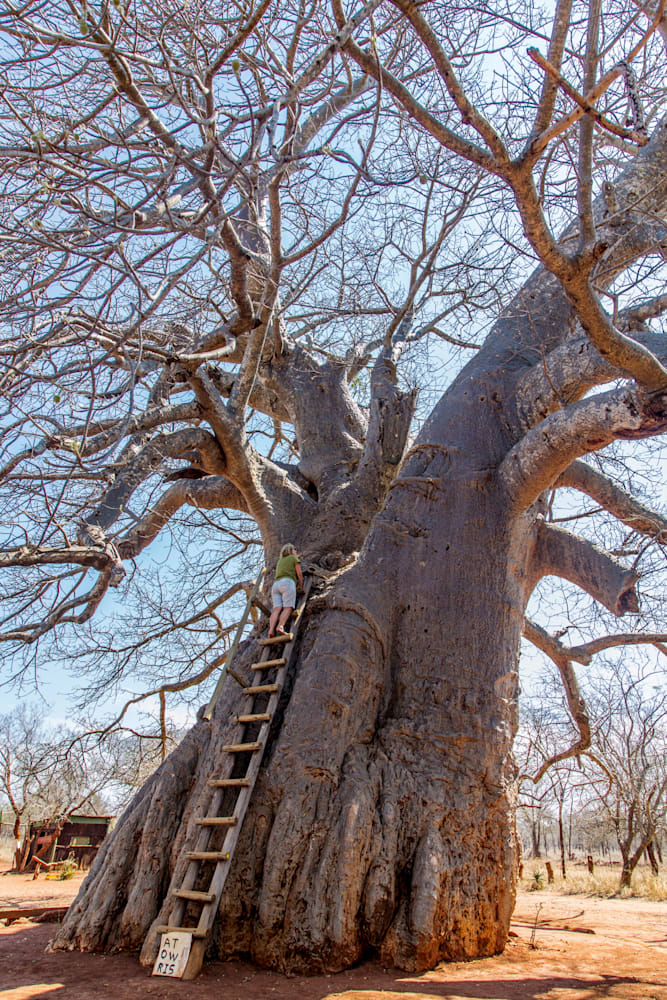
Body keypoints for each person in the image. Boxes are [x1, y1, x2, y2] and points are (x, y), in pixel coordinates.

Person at [268, 543, 303, 638]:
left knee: (276, 609)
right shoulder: (293, 558)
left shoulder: (280, 561)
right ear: (291, 551)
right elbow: (299, 573)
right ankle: (280, 626)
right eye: (295, 549)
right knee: (288, 607)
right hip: (287, 582)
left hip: (276, 585)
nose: (296, 551)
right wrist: (300, 585)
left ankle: (271, 630)